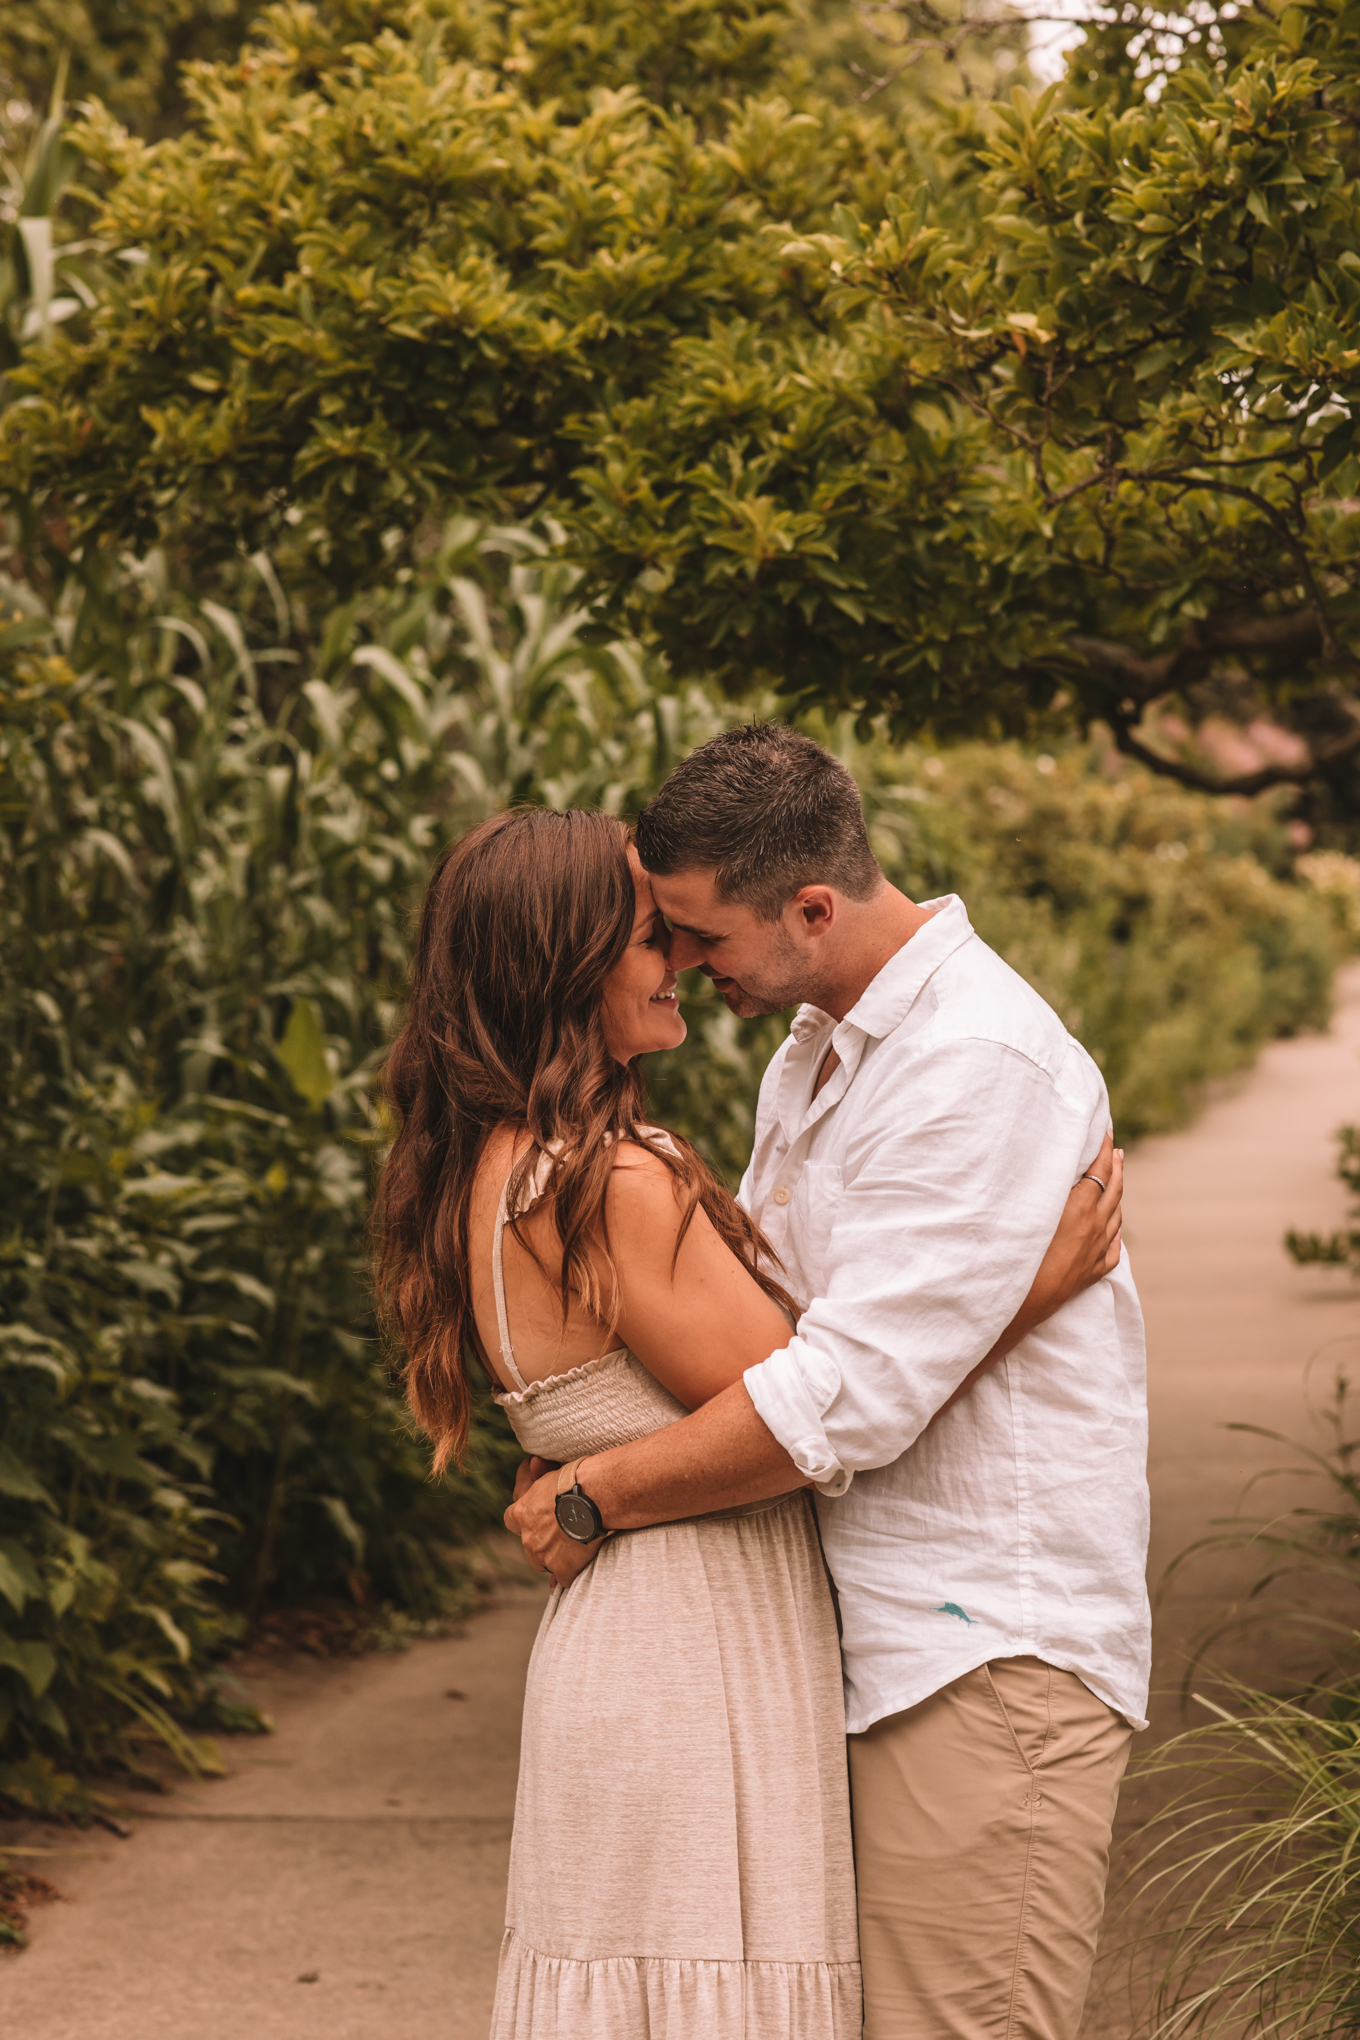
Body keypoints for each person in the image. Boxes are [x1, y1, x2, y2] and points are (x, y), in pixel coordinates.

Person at [374, 803, 1123, 2040]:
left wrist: (586, 1478)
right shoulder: (609, 1179)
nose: (677, 958)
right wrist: (1023, 1290)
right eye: (647, 936)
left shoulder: (498, 1163)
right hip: (688, 1648)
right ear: (565, 968)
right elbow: (817, 1404)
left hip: (637, 1637)